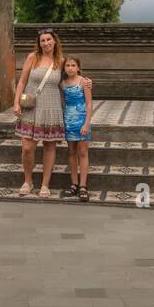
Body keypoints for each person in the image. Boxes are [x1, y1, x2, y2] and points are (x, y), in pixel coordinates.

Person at [12, 28, 65, 197]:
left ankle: (45, 184)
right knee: (27, 147)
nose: (46, 43)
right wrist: (16, 102)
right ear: (39, 43)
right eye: (43, 40)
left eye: (49, 39)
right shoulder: (33, 58)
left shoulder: (61, 61)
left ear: (54, 41)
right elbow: (22, 81)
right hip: (31, 106)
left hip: (52, 107)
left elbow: (68, 83)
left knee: (49, 146)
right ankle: (28, 181)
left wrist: (86, 84)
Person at [61, 56, 93, 201]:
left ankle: (83, 185)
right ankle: (74, 183)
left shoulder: (84, 82)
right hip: (68, 121)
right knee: (71, 153)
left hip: (81, 121)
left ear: (78, 67)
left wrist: (86, 124)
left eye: (73, 65)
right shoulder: (62, 83)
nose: (70, 68)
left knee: (83, 153)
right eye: (67, 65)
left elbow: (89, 104)